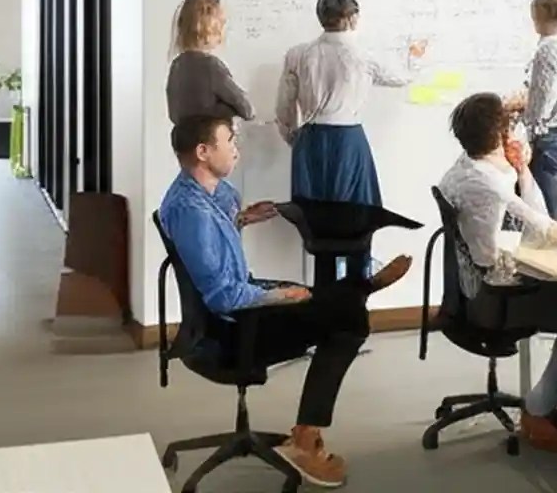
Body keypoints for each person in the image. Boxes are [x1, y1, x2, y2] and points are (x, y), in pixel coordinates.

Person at [159, 115, 410, 488]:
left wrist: (242, 219)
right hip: (232, 328)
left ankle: (360, 288)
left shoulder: (207, 194)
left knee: (329, 304)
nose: (236, 148)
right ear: (202, 151)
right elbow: (222, 295)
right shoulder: (191, 212)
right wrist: (276, 296)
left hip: (237, 307)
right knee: (349, 323)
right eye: (229, 140)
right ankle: (305, 440)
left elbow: (214, 243)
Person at [438, 92, 557, 455]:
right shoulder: (488, 183)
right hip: (498, 298)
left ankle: (548, 407)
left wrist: (520, 167)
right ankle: (539, 412)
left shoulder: (465, 167)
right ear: (500, 136)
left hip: (477, 291)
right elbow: (542, 225)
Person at [275, 0, 411, 280]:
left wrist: (295, 140)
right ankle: (355, 288)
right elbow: (401, 76)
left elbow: (283, 110)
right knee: (358, 220)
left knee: (317, 226)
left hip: (309, 142)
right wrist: (413, 55)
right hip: (349, 142)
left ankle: (325, 294)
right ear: (353, 17)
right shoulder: (363, 55)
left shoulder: (298, 54)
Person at [506, 0, 557, 221]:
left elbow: (541, 105)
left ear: (536, 14)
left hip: (548, 143)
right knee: (548, 218)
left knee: (545, 222)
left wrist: (517, 110)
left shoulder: (547, 51)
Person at [165, 0, 255, 125]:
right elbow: (247, 110)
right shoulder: (211, 66)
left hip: (186, 142)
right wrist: (226, 111)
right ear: (209, 29)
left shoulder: (176, 65)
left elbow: (174, 115)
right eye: (222, 24)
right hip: (214, 140)